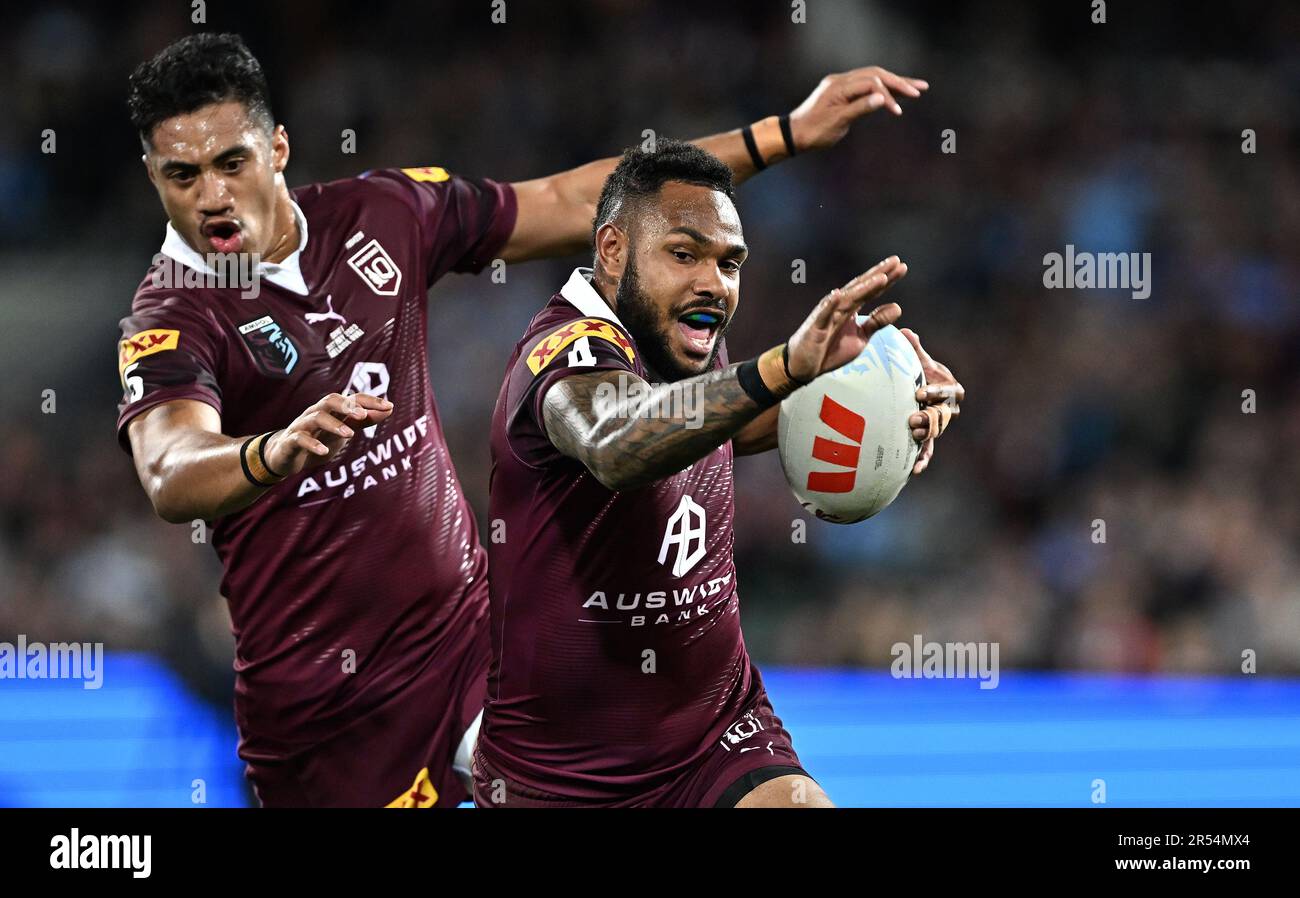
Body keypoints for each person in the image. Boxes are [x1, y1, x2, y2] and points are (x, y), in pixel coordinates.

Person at [116, 31, 929, 807]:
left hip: (474, 650)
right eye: (181, 176)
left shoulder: (384, 214)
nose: (212, 197)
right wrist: (270, 451)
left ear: (278, 149)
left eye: (231, 163)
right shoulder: (173, 319)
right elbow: (170, 470)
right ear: (154, 178)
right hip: (330, 715)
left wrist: (784, 132)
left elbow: (584, 199)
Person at [475, 141, 963, 807]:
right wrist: (783, 370)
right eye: (684, 254)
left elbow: (724, 422)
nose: (714, 282)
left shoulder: (690, 336)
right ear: (613, 250)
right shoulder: (561, 354)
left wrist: (890, 405)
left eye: (729, 263)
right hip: (563, 776)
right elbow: (619, 442)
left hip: (716, 735)